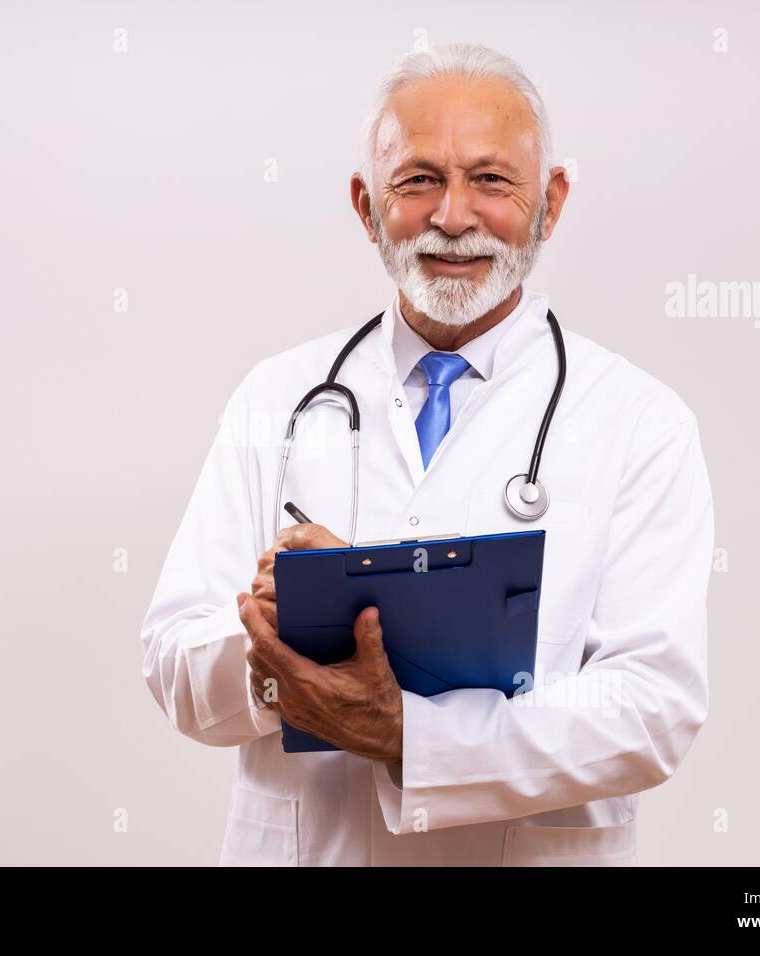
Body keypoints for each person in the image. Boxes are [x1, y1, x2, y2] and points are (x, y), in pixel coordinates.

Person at [140, 42, 713, 866]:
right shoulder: (279, 398)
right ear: (366, 206)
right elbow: (171, 661)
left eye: (490, 179)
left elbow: (652, 709)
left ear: (550, 202)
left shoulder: (641, 422)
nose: (453, 216)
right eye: (418, 181)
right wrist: (273, 644)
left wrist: (418, 736)